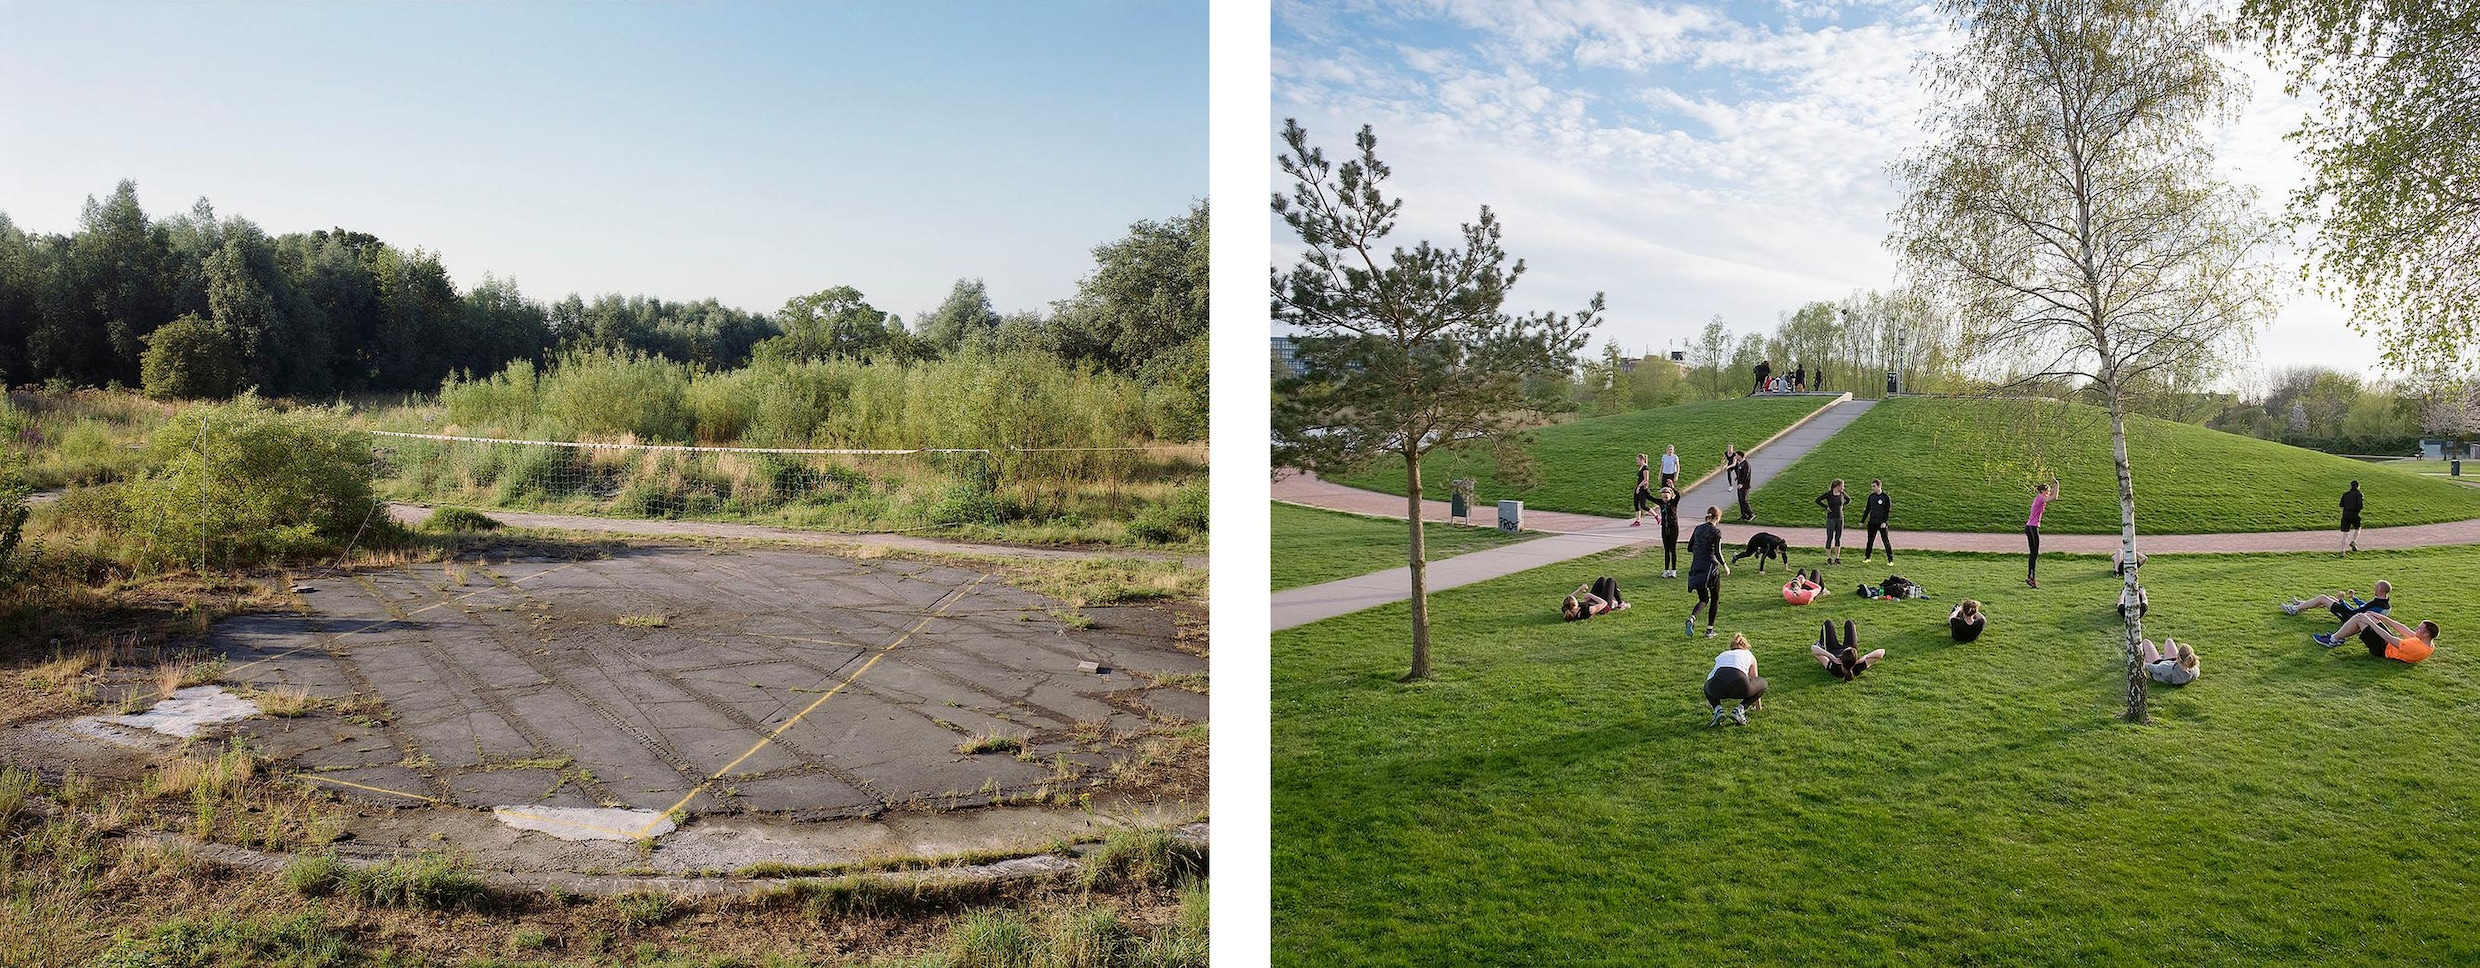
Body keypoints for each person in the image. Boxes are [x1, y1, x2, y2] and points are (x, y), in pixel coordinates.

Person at [2314, 612, 2438, 663]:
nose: (2416, 629)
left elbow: (2387, 637)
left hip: (2381, 650)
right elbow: (2404, 629)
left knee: (2360, 618)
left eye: (2419, 628)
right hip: (2388, 644)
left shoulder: (2415, 646)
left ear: (2426, 634)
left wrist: (2370, 622)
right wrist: (2381, 617)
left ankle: (2333, 640)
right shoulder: (2427, 642)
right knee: (2367, 616)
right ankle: (2339, 636)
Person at [1705, 632, 1766, 725]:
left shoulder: (1722, 655)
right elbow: (1755, 678)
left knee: (1707, 685)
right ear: (1746, 646)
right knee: (1762, 682)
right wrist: (1758, 707)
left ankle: (1718, 710)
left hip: (1717, 686)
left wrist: (1712, 701)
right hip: (1739, 684)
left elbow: (1709, 679)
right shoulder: (1749, 654)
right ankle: (1740, 709)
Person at [1685, 506, 1726, 638]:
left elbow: (1689, 548)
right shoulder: (1716, 532)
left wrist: (1700, 550)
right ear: (1718, 518)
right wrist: (1725, 565)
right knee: (1715, 598)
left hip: (1696, 566)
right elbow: (1718, 552)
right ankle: (1709, 630)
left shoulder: (1698, 529)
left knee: (1703, 599)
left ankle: (1692, 618)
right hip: (1710, 568)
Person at [1809, 619, 1883, 681]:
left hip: (1833, 649)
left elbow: (1813, 649)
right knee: (1849, 623)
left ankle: (1821, 643)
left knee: (1827, 624)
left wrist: (1831, 656)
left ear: (1841, 660)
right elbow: (1882, 652)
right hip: (1849, 655)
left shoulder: (1834, 667)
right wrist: (1866, 656)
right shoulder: (1857, 667)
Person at [2282, 580, 2390, 620]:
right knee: (2329, 598)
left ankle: (2294, 609)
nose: (2374, 589)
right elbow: (2365, 606)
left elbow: (2352, 613)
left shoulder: (2377, 603)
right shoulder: (2384, 603)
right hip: (2353, 616)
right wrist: (2354, 598)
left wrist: (2342, 600)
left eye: (2376, 588)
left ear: (2380, 590)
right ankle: (2302, 605)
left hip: (2348, 618)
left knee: (2322, 598)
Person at [2025, 476, 2058, 588]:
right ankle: (2031, 578)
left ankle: (2030, 577)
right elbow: (2054, 498)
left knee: (2033, 553)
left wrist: (2054, 486)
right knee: (2034, 553)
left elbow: (2052, 495)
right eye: (2047, 491)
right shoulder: (2040, 498)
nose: (2049, 492)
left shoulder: (2039, 497)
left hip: (2030, 527)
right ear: (2043, 491)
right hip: (2033, 527)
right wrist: (2057, 484)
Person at [1560, 577, 1630, 621]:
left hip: (1592, 601)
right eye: (1576, 600)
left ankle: (1613, 601)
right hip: (1604, 605)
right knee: (1611, 580)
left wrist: (1580, 590)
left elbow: (1570, 597)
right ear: (1575, 606)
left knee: (1601, 580)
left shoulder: (1566, 609)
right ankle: (1620, 604)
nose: (1576, 598)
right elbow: (1603, 603)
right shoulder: (1588, 610)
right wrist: (1591, 595)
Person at [1815, 479, 1849, 564]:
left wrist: (1842, 506)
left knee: (1838, 537)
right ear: (1837, 486)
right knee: (1829, 537)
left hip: (1840, 518)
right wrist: (1826, 507)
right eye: (1842, 486)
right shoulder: (1829, 494)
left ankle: (1837, 557)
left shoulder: (1842, 494)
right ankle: (1828, 557)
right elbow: (1818, 500)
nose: (1843, 488)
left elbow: (1848, 500)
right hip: (1831, 519)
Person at [1861, 479, 1893, 562]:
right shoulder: (1871, 497)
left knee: (1885, 540)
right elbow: (1867, 509)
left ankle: (1890, 559)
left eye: (1874, 486)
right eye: (1872, 486)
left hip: (1881, 522)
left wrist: (1884, 522)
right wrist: (1862, 521)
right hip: (1872, 522)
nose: (1872, 488)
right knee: (1870, 540)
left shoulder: (1885, 497)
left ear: (1879, 486)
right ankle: (1867, 557)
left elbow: (1887, 511)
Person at [1657, 485, 1683, 579]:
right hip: (1664, 528)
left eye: (1666, 497)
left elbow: (1679, 495)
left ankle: (1674, 570)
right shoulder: (1661, 503)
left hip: (1673, 528)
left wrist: (1673, 487)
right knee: (1666, 550)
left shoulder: (1673, 502)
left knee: (1673, 549)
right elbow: (1649, 497)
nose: (1665, 499)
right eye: (1663, 497)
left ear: (1670, 496)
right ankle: (1666, 570)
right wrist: (1644, 488)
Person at [2341, 480, 2365, 554]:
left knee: (2345, 534)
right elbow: (2360, 506)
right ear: (2358, 486)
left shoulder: (2345, 494)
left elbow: (2341, 504)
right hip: (2355, 514)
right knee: (2358, 528)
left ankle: (2342, 551)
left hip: (2345, 514)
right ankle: (2354, 541)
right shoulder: (2359, 494)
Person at [1632, 453, 1655, 528]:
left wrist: (1639, 486)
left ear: (1642, 460)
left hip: (1642, 488)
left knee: (1643, 506)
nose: (1637, 461)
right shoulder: (1641, 467)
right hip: (1638, 487)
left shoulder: (1645, 468)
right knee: (1636, 503)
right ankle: (1637, 521)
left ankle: (1656, 516)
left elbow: (1646, 479)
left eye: (1638, 460)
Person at [1733, 451, 1755, 522]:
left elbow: (1746, 475)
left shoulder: (1746, 464)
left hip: (1745, 486)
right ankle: (1744, 515)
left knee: (1744, 500)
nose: (1735, 457)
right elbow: (1741, 473)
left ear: (1740, 456)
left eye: (1736, 455)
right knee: (1740, 500)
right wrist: (1737, 477)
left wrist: (1741, 483)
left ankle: (1751, 514)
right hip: (1739, 485)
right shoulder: (1740, 464)